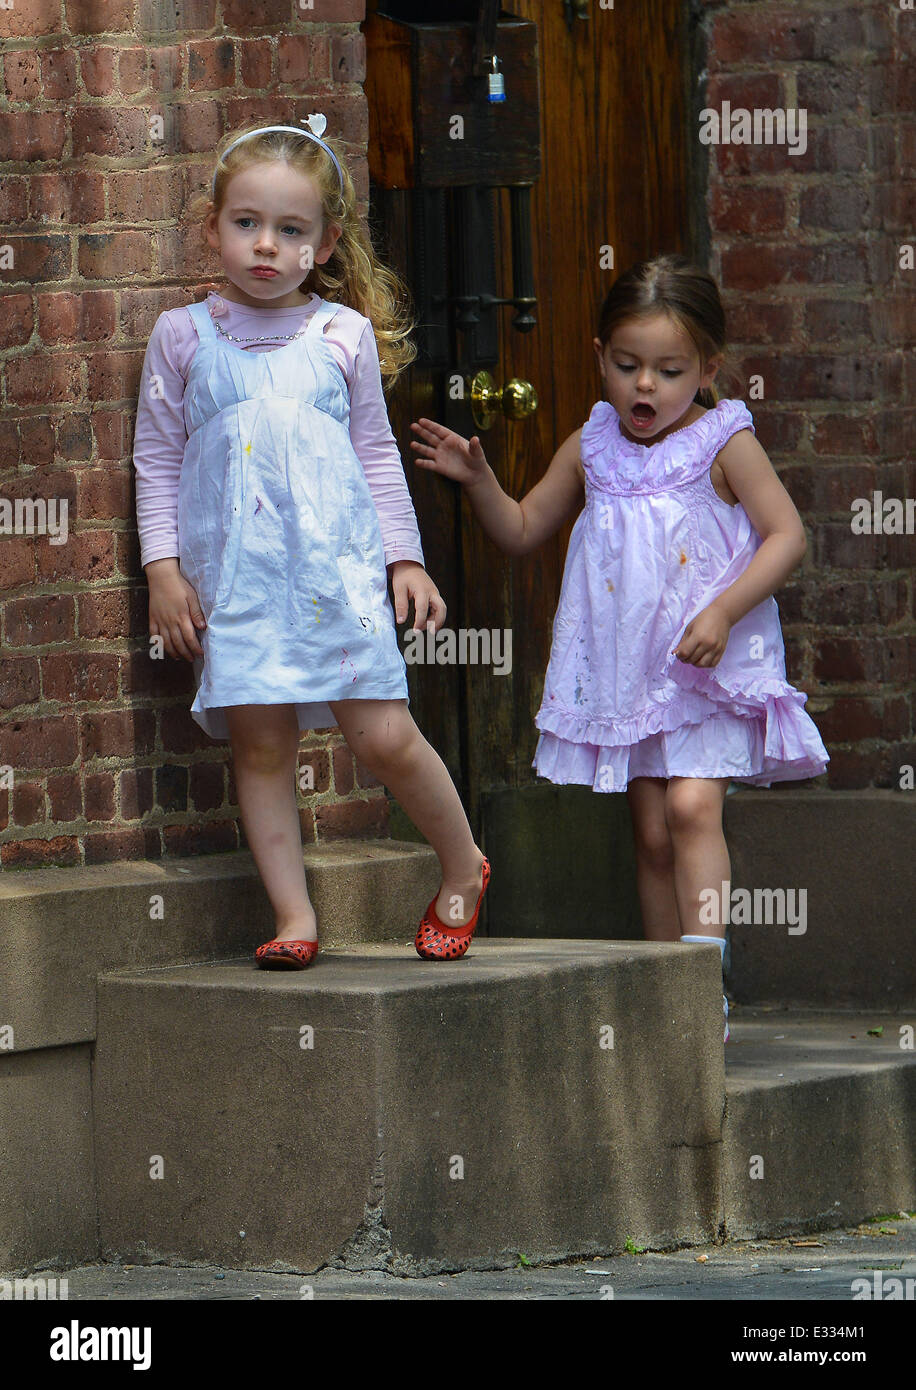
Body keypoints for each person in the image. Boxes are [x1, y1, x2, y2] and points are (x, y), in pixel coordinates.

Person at [410, 254, 829, 1040]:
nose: (646, 387)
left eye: (669, 371)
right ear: (600, 355)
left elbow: (787, 536)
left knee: (692, 806)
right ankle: (663, 988)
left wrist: (723, 610)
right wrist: (479, 481)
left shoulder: (721, 440)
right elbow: (524, 530)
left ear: (706, 368)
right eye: (629, 366)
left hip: (707, 665)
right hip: (630, 673)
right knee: (648, 832)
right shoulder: (591, 444)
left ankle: (705, 981)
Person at [132, 116, 489, 968]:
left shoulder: (342, 337)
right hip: (237, 583)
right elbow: (155, 458)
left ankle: (463, 864)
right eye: (246, 223)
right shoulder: (183, 337)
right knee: (261, 746)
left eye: (289, 230)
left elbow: (373, 452)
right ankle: (295, 916)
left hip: (333, 576)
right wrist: (163, 573)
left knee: (383, 735)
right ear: (212, 227)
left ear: (325, 243)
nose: (265, 245)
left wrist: (405, 558)